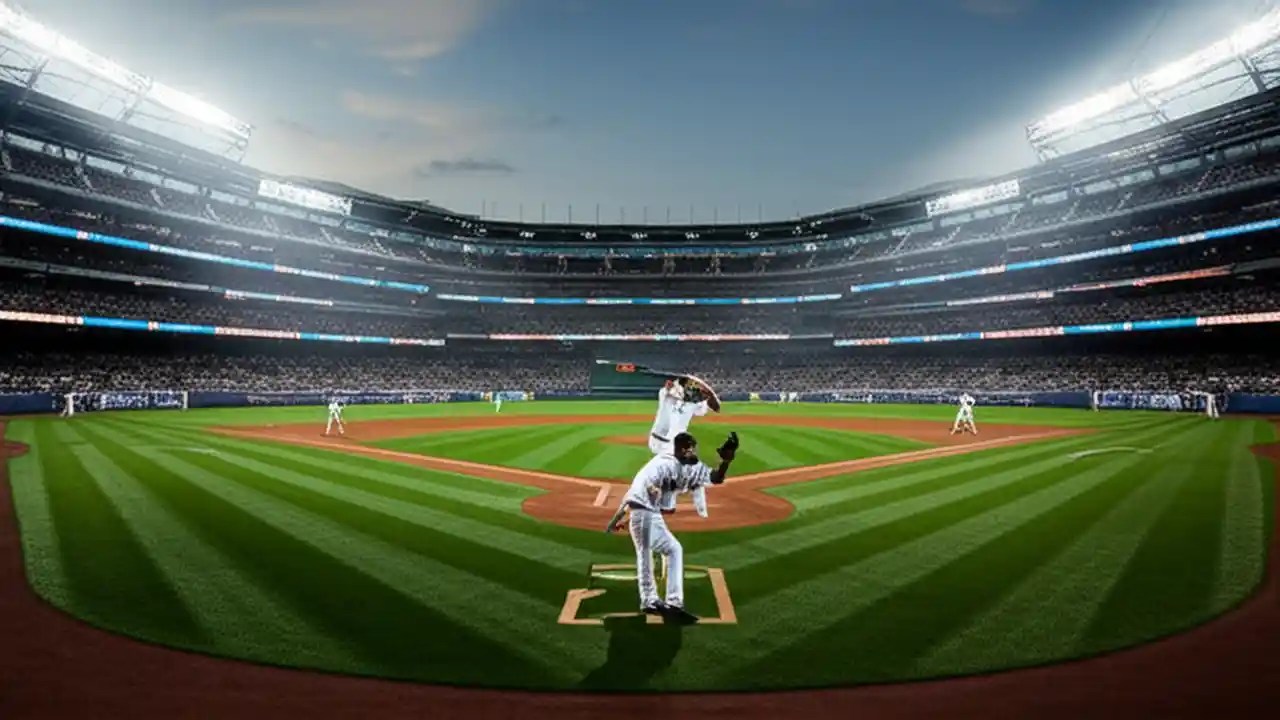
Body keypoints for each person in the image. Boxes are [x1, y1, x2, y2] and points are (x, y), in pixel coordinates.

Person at [606, 431, 738, 622]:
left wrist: (726, 461)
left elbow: (716, 478)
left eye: (693, 448)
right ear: (679, 449)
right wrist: (622, 517)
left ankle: (671, 603)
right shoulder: (662, 464)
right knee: (646, 553)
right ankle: (652, 601)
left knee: (673, 549)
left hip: (651, 513)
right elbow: (638, 492)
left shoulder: (692, 466)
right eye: (688, 449)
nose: (692, 452)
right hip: (642, 510)